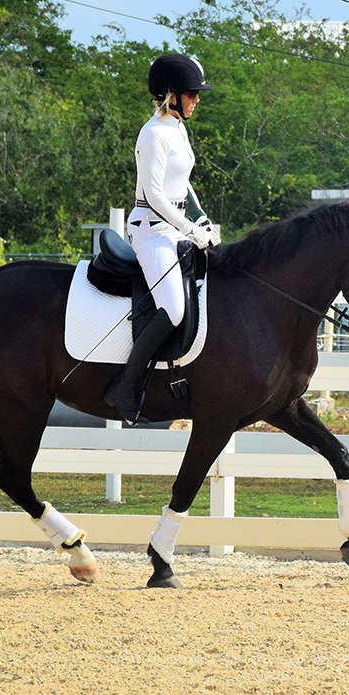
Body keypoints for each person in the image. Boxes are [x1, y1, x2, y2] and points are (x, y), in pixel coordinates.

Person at [103, 53, 220, 424]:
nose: (197, 99)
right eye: (191, 93)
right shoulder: (152, 134)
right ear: (171, 95)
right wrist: (189, 229)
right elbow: (154, 195)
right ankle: (125, 386)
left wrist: (202, 218)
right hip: (151, 232)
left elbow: (183, 183)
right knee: (173, 308)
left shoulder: (177, 129)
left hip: (176, 228)